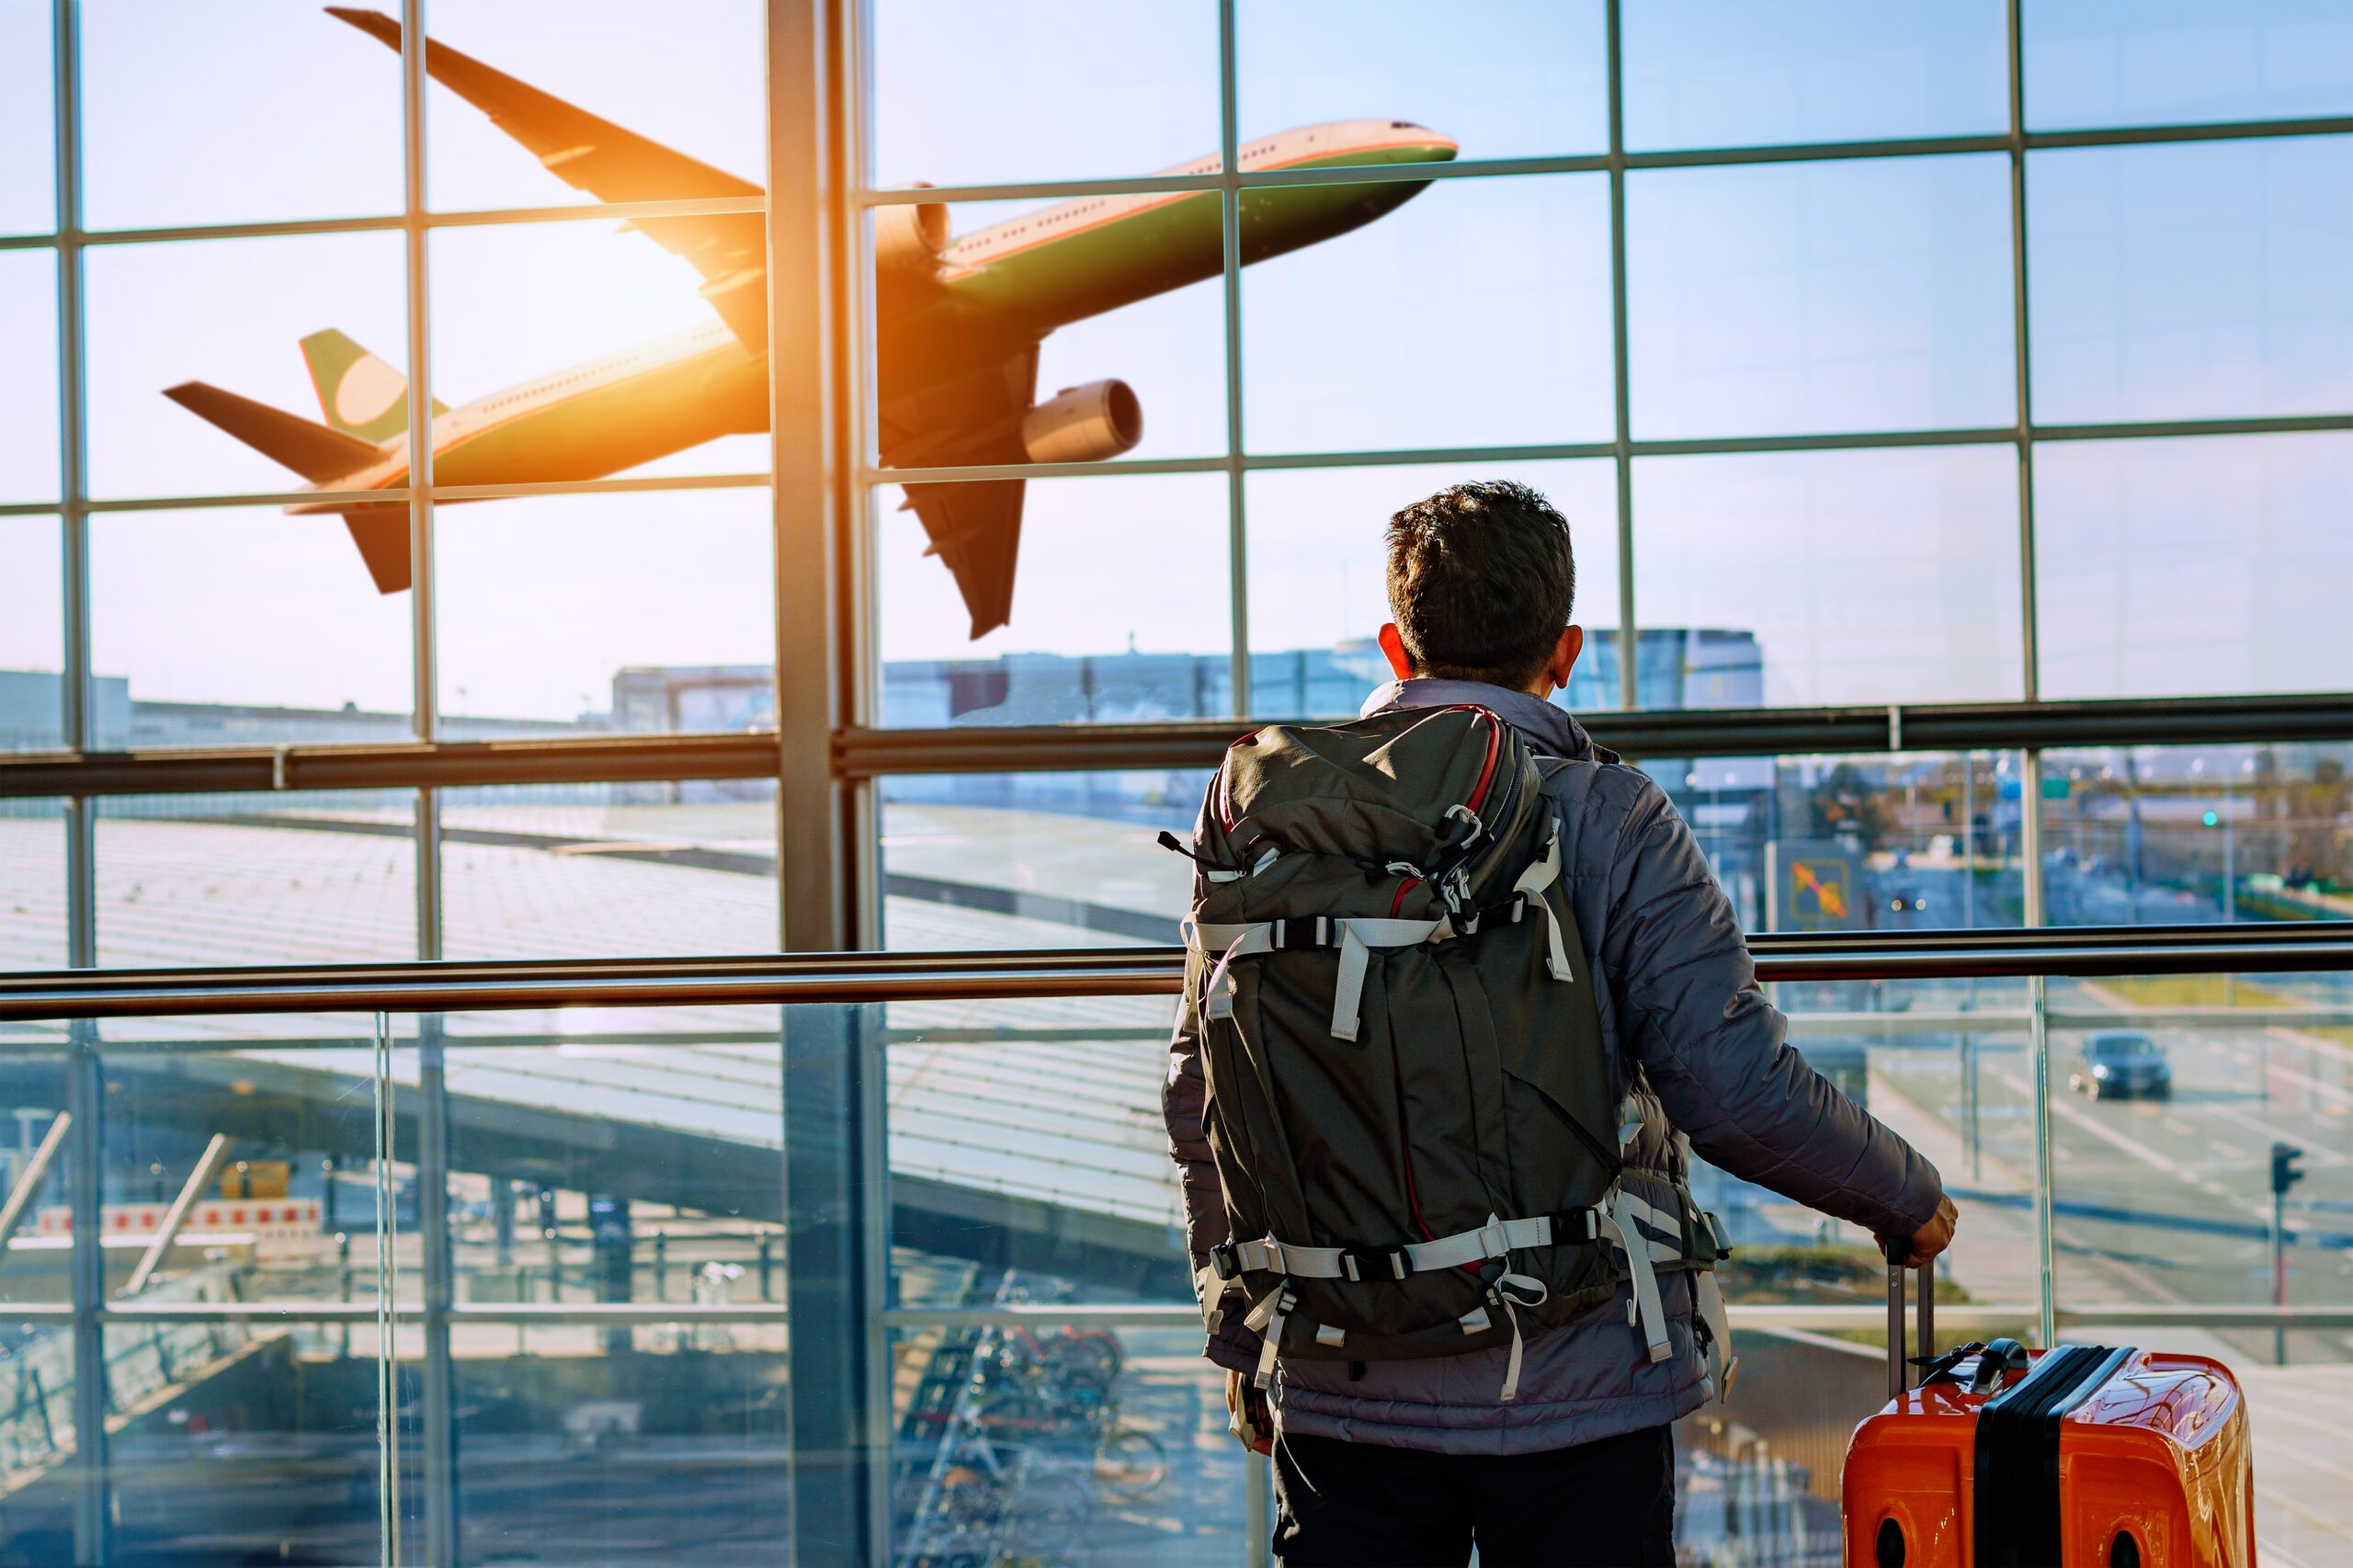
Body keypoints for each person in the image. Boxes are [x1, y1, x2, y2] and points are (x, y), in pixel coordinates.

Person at [1163, 480, 1958, 1566]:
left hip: (1338, 1376)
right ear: (1566, 650)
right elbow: (1731, 1088)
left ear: (1395, 646)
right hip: (1574, 1382)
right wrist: (1902, 1193)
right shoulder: (1607, 813)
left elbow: (1200, 1096)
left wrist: (1242, 1327)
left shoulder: (1269, 812)